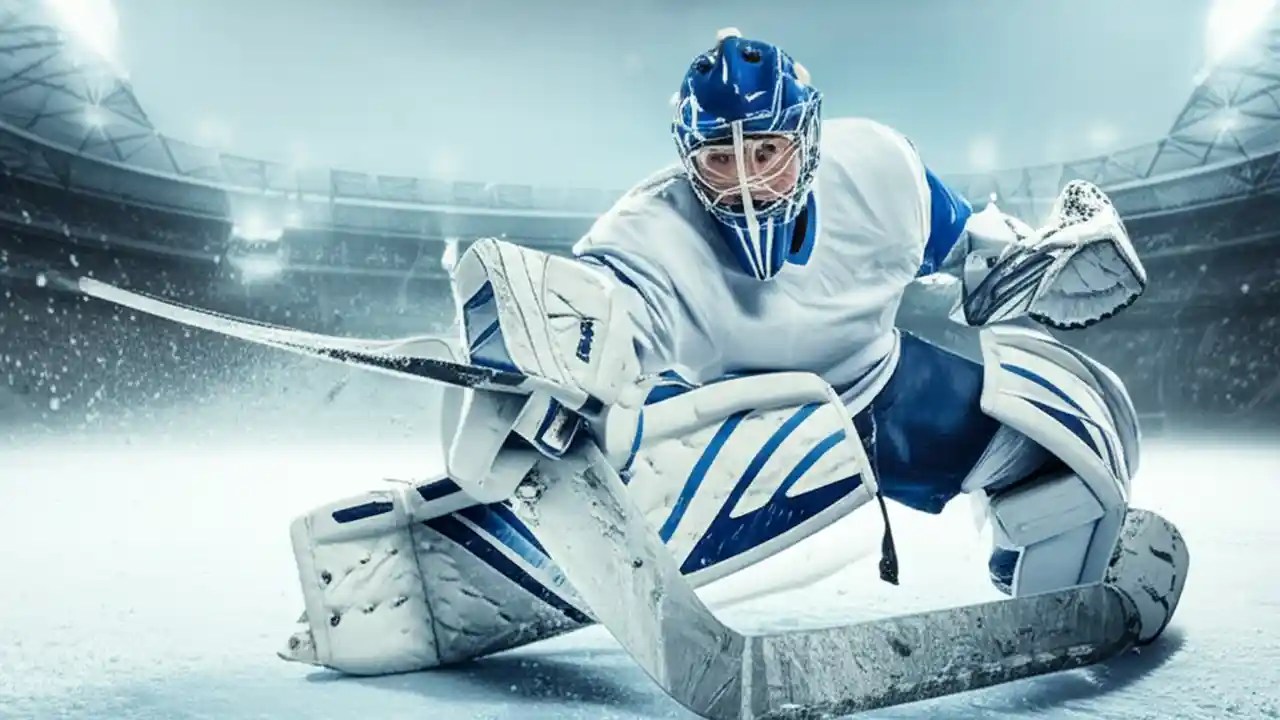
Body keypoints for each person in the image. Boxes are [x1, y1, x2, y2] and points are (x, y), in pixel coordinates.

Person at [281, 28, 1178, 676]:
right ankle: (434, 564)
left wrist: (1039, 254)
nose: (747, 179)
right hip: (753, 432)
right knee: (607, 487)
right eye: (720, 157)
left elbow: (975, 249)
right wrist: (536, 355)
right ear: (686, 157)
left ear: (812, 142)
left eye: (770, 152)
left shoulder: (882, 172)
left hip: (887, 390)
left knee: (1073, 432)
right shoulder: (646, 236)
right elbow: (598, 321)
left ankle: (1057, 590)